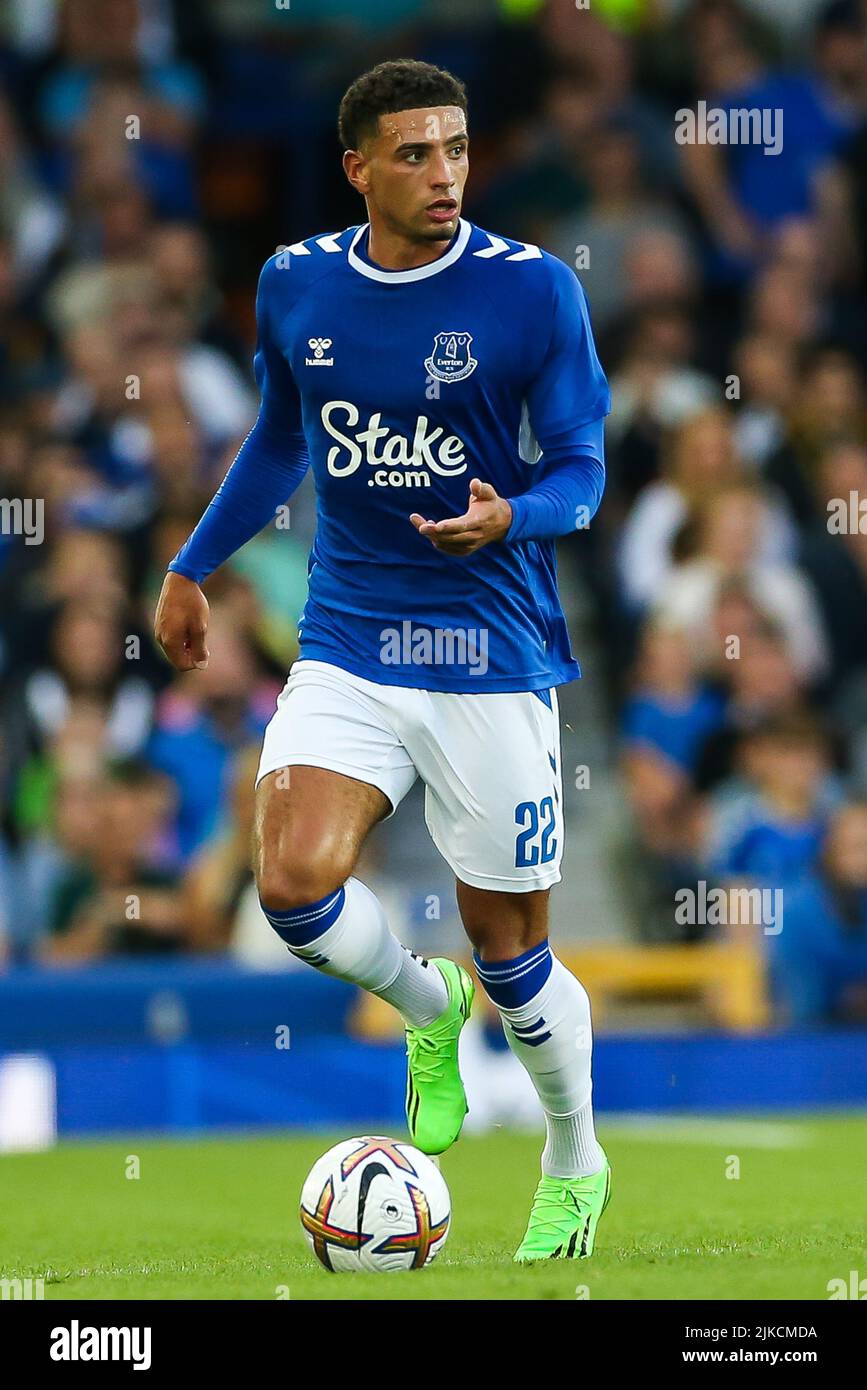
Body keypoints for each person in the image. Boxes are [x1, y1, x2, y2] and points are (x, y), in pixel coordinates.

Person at [154, 59, 611, 1263]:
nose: (445, 174)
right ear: (358, 168)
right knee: (293, 883)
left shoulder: (534, 292)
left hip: (492, 648)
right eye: (414, 154)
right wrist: (193, 566)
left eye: (457, 148)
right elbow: (279, 435)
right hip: (351, 637)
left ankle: (574, 1153)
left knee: (514, 953)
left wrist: (511, 515)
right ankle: (424, 1003)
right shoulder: (296, 281)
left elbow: (583, 467)